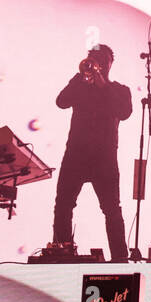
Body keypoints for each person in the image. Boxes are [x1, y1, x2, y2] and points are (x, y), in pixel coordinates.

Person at [50, 44, 133, 261]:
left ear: (110, 63)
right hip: (76, 154)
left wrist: (103, 85)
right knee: (63, 206)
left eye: (103, 60)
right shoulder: (79, 85)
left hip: (104, 158)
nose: (98, 64)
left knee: (112, 209)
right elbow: (61, 102)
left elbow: (124, 112)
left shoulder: (120, 90)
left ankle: (120, 259)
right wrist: (79, 78)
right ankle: (61, 254)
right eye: (94, 59)